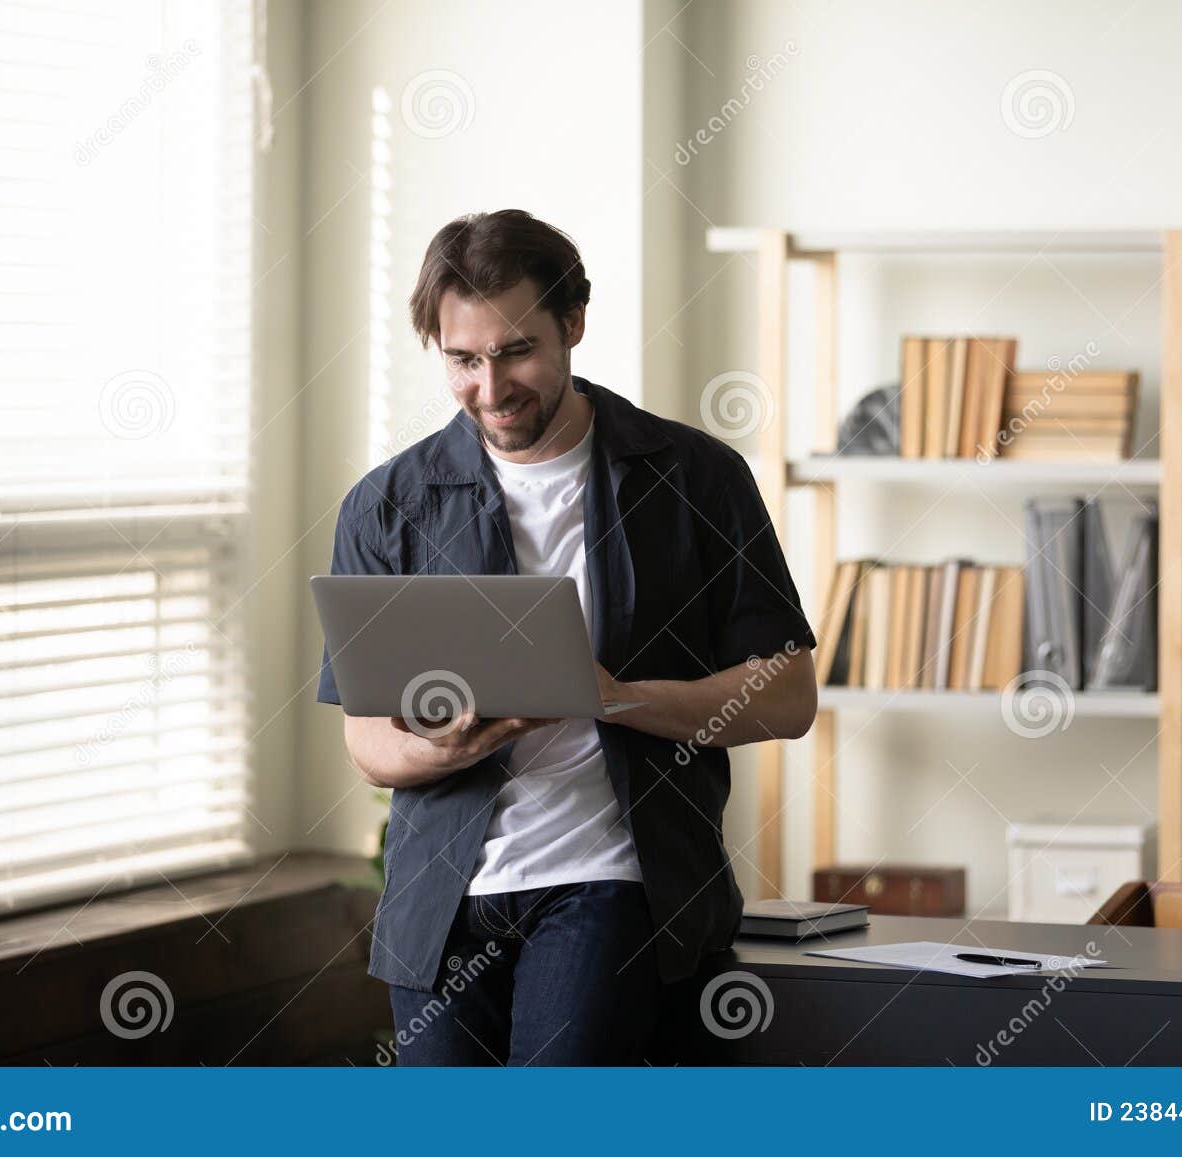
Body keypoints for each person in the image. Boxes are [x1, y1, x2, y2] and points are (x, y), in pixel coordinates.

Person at [317, 209, 818, 1065]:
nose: (491, 386)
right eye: (462, 360)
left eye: (516, 351)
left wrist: (609, 695)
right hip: (444, 901)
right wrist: (444, 749)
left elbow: (787, 693)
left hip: (613, 881)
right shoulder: (388, 504)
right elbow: (368, 741)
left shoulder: (696, 477)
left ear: (574, 324)